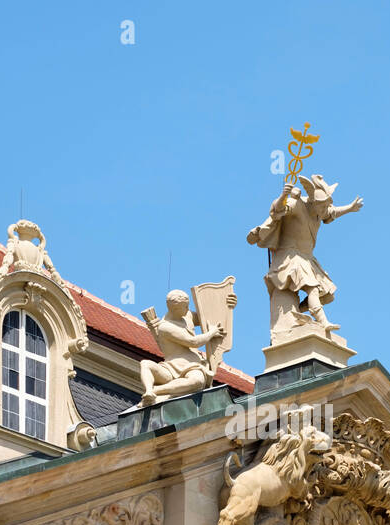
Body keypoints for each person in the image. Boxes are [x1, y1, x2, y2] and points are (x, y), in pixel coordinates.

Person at [247, 174, 362, 334]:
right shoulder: (297, 204)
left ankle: (297, 312)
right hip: (291, 256)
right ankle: (324, 322)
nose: (325, 210)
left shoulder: (320, 211)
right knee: (312, 289)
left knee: (327, 294)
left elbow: (332, 212)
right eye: (322, 206)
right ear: (313, 202)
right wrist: (284, 195)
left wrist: (350, 208)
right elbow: (277, 210)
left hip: (307, 258)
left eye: (326, 206)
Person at [139, 289, 231, 406]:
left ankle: (156, 390)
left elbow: (209, 316)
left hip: (192, 366)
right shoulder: (166, 327)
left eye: (188, 305)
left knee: (197, 381)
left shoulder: (187, 316)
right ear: (175, 309)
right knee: (145, 364)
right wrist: (212, 332)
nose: (188, 309)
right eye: (185, 307)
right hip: (170, 369)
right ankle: (148, 392)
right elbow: (193, 342)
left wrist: (227, 304)